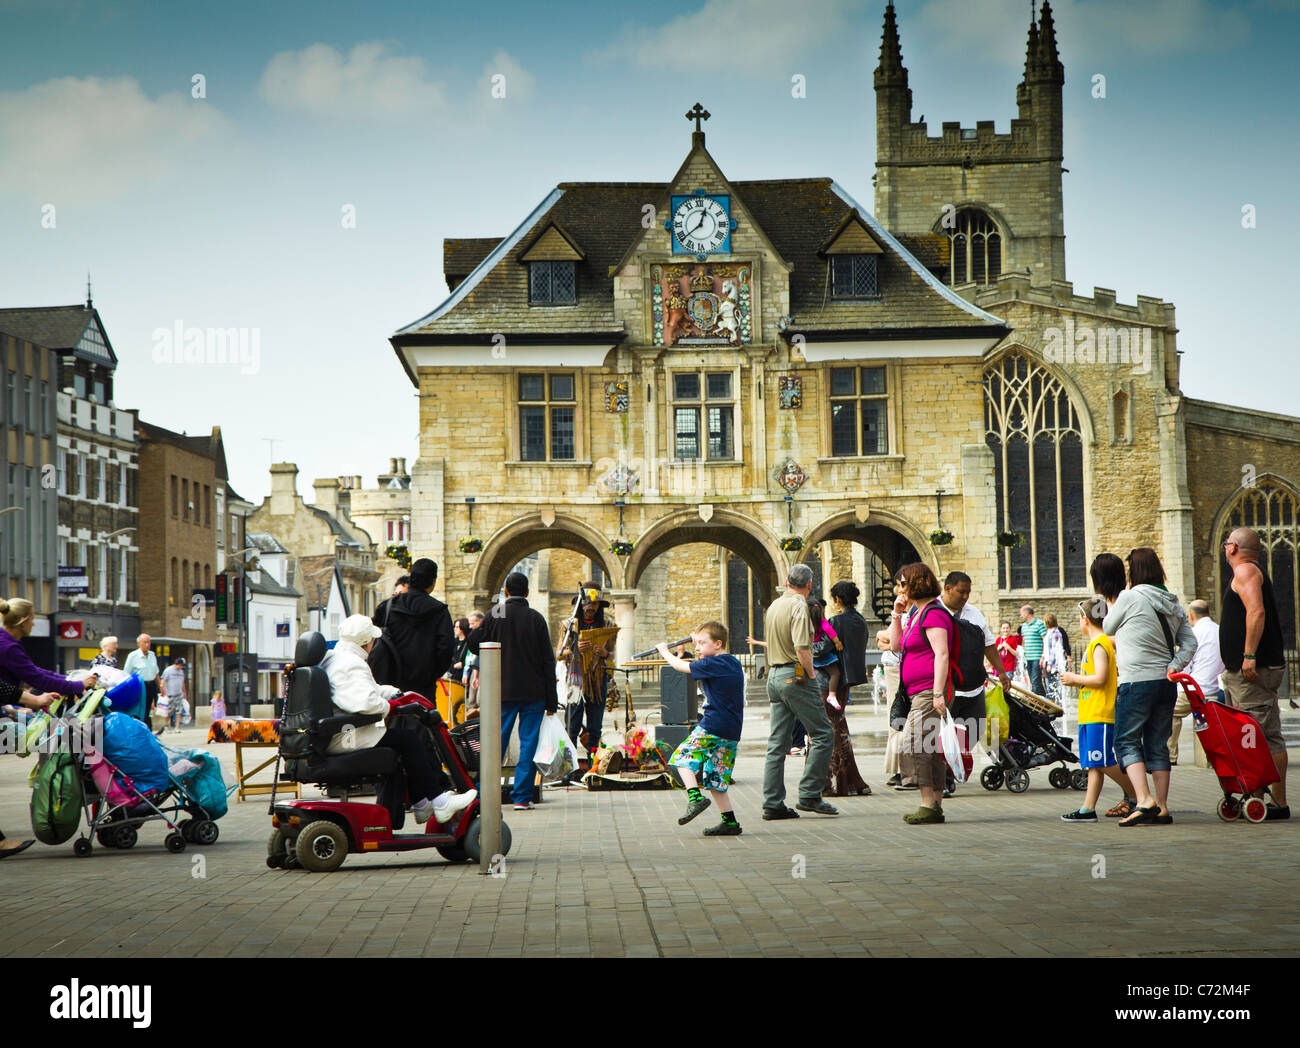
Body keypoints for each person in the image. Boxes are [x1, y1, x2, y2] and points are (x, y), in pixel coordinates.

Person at [322, 614, 476, 826]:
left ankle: (422, 802)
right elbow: (365, 702)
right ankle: (439, 802)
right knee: (408, 740)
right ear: (367, 642)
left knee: (403, 744)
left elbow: (370, 689)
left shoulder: (338, 658)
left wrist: (395, 693)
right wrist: (392, 706)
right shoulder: (351, 664)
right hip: (346, 736)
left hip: (342, 732)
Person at [1103, 548, 1196, 826]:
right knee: (1158, 744)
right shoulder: (1173, 601)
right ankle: (1163, 807)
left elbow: (1107, 626)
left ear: (1134, 572)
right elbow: (1190, 643)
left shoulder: (1130, 597)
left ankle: (1144, 800)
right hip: (1165, 683)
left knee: (1126, 740)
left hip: (1135, 681)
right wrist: (1174, 665)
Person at [466, 572, 556, 810]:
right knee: (528, 744)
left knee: (496, 743)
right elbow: (549, 660)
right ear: (527, 592)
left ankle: (484, 794)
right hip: (534, 692)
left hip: (501, 690)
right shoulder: (535, 618)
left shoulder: (497, 613)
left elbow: (473, 642)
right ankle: (522, 797)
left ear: (506, 591)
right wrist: (552, 699)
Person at [1220, 527, 1289, 818]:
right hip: (1253, 672)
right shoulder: (1252, 570)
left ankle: (1277, 802)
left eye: (1226, 544)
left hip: (1254, 672)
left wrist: (1248, 656)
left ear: (1233, 548)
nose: (1225, 548)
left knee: (1263, 734)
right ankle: (1258, 795)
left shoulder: (1245, 572)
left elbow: (1256, 612)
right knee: (1255, 734)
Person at [761, 563, 838, 820]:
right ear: (809, 584)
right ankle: (810, 794)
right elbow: (802, 647)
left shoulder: (774, 606)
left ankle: (772, 803)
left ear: (786, 582)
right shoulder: (799, 606)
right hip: (794, 676)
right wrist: (812, 675)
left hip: (773, 675)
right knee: (824, 734)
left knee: (777, 744)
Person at [657, 621, 745, 836]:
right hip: (731, 730)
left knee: (681, 758)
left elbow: (680, 667)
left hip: (713, 725)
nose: (696, 648)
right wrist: (698, 640)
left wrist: (664, 651)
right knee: (716, 777)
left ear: (717, 644)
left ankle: (694, 798)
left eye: (701, 643)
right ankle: (730, 822)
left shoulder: (714, 664)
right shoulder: (731, 662)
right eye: (695, 644)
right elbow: (700, 661)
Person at [887, 563, 955, 825]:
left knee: (914, 743)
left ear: (916, 584)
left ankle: (927, 803)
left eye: (903, 583)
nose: (899, 588)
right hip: (917, 692)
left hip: (929, 691)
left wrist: (938, 693)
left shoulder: (934, 614)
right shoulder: (917, 613)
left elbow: (942, 654)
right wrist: (897, 615)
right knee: (927, 746)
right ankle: (934, 804)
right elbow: (896, 645)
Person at [1059, 597, 1136, 821]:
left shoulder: (1099, 645)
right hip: (1091, 712)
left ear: (1085, 618)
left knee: (1101, 761)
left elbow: (1100, 678)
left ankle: (1136, 794)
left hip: (1099, 713)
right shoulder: (1098, 644)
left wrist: (1074, 679)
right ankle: (1087, 808)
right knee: (1095, 762)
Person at [938, 571, 1013, 793]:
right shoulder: (935, 613)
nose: (965, 596)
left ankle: (951, 769)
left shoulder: (974, 614)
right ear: (948, 588)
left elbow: (989, 645)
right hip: (947, 687)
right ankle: (941, 776)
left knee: (975, 726)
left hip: (973, 686)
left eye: (968, 592)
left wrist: (1001, 672)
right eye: (961, 592)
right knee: (941, 732)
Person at [368, 558, 456, 699]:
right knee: (423, 719)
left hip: (391, 684)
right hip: (424, 687)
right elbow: (446, 648)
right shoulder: (439, 611)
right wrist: (430, 675)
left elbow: (371, 638)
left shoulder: (388, 607)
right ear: (432, 581)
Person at [557, 584, 616, 765]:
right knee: (572, 727)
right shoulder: (568, 626)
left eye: (594, 604)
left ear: (599, 606)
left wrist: (604, 653)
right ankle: (571, 766)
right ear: (579, 604)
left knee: (595, 727)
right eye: (586, 604)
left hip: (598, 680)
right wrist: (575, 648)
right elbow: (559, 654)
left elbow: (612, 655)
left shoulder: (608, 626)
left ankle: (593, 765)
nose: (590, 608)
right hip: (576, 683)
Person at [826, 582, 871, 797]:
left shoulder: (836, 621)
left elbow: (826, 647)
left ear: (838, 599)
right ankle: (852, 780)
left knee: (833, 730)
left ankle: (839, 781)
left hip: (833, 681)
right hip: (848, 679)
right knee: (839, 728)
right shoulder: (860, 620)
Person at [0, 598, 94, 699]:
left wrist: (70, 679)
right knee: (25, 715)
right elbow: (38, 679)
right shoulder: (9, 648)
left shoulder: (6, 642)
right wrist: (78, 685)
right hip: (7, 711)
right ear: (23, 622)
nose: (33, 624)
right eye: (32, 619)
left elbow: (35, 671)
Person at [1170, 599, 1223, 766]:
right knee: (1200, 717)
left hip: (1193, 690)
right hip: (1214, 689)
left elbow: (1184, 666)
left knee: (1169, 712)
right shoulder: (1220, 631)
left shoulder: (1194, 634)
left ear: (1191, 615)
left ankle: (1170, 756)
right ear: (1208, 613)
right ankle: (1207, 758)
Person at [122, 634, 160, 717]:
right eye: (145, 642)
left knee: (149, 709)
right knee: (140, 709)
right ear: (139, 644)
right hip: (139, 685)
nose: (147, 644)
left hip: (151, 685)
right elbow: (126, 673)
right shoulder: (133, 656)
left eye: (149, 642)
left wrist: (160, 687)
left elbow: (156, 672)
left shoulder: (152, 655)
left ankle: (147, 727)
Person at [1019, 605, 1047, 694]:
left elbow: (1045, 640)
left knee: (1035, 682)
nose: (1020, 616)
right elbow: (1024, 642)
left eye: (1021, 613)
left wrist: (1043, 656)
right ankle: (1044, 699)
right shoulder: (1023, 626)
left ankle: (1035, 705)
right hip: (1028, 658)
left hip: (1037, 658)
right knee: (1034, 682)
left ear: (1027, 613)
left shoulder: (1040, 624)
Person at [1041, 613, 1067, 707]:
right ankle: (1052, 704)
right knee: (1048, 685)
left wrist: (1050, 664)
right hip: (1048, 662)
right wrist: (1043, 659)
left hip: (1053, 665)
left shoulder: (1055, 633)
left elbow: (1054, 650)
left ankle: (1057, 704)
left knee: (1053, 685)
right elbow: (1046, 649)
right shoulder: (1049, 632)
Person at [159, 657, 187, 731]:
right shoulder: (168, 670)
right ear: (177, 664)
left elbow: (183, 682)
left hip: (179, 694)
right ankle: (167, 726)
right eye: (181, 665)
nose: (181, 667)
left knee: (179, 710)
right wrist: (163, 690)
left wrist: (184, 692)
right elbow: (163, 680)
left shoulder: (181, 672)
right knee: (169, 711)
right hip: (170, 694)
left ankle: (177, 727)